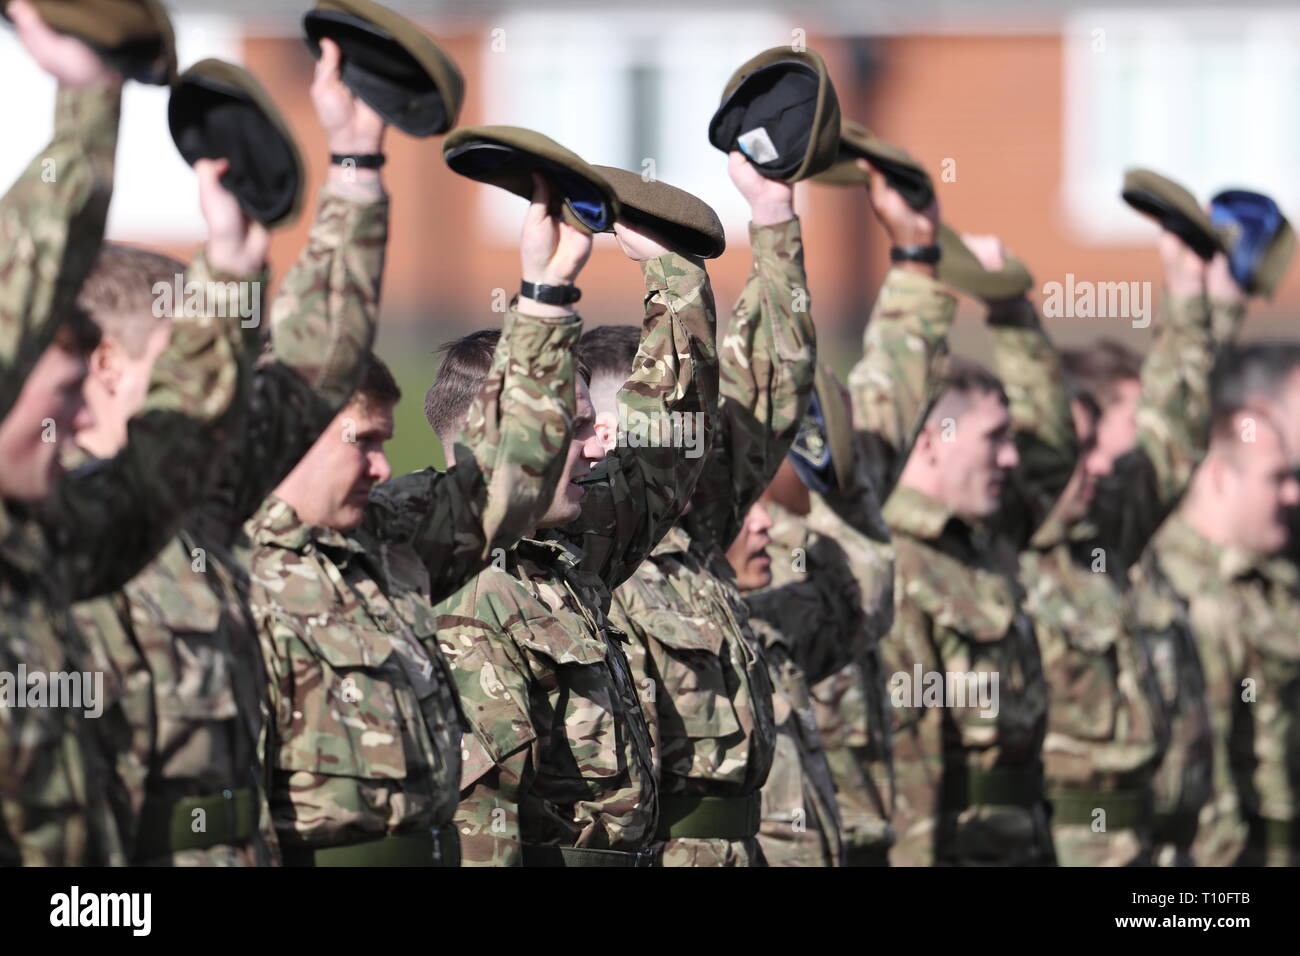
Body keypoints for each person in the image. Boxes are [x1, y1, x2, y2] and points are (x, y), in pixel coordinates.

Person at [66, 38, 394, 865]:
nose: (208, 373)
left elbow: (317, 363)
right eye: (178, 352)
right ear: (106, 366)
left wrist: (352, 168)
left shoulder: (200, 500)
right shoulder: (46, 529)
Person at [245, 176, 585, 866]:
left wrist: (544, 296)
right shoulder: (238, 584)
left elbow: (510, 474)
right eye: (363, 442)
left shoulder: (386, 538)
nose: (382, 467)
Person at [429, 205, 719, 867]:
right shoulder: (471, 596)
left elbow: (667, 448)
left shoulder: (564, 553)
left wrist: (670, 272)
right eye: (574, 428)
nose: (598, 449)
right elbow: (483, 836)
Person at [580, 150, 811, 867]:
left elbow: (769, 384)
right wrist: (668, 271)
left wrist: (772, 216)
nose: (694, 444)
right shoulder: (592, 548)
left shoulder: (696, 520)